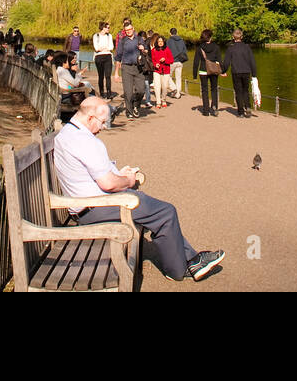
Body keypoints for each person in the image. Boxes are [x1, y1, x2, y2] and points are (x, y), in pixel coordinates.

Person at [54, 97, 225, 282]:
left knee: (147, 204)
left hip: (87, 206)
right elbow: (108, 184)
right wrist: (127, 180)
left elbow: (90, 177)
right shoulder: (85, 140)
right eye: (103, 123)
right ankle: (177, 269)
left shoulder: (68, 133)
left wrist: (119, 174)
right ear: (90, 118)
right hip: (95, 209)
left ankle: (191, 260)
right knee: (165, 212)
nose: (103, 128)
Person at [224, 28, 257, 118]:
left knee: (238, 91)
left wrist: (223, 71)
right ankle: (248, 106)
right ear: (241, 37)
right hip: (246, 71)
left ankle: (241, 112)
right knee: (245, 90)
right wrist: (254, 74)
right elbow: (252, 61)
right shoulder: (247, 47)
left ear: (233, 37)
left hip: (236, 71)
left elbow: (226, 62)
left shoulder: (231, 48)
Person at [115, 21, 145, 119]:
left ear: (133, 29)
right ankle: (129, 111)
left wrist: (143, 49)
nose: (128, 31)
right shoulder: (122, 41)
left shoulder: (140, 39)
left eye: (130, 29)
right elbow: (118, 57)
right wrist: (116, 73)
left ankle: (136, 105)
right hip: (126, 67)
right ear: (124, 31)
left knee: (141, 90)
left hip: (138, 68)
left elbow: (147, 51)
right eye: (126, 30)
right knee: (128, 92)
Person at [193, 29, 222, 116]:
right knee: (214, 89)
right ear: (210, 37)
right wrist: (222, 71)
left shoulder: (200, 48)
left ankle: (205, 110)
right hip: (213, 70)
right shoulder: (216, 47)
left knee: (204, 90)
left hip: (203, 71)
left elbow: (196, 62)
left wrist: (194, 75)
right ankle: (214, 106)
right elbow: (219, 60)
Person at [149, 35, 174, 108]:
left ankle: (164, 99)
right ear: (157, 42)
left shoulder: (167, 50)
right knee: (157, 86)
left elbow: (171, 60)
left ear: (164, 42)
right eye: (159, 41)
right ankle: (158, 101)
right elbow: (151, 60)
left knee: (165, 86)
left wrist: (165, 59)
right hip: (157, 71)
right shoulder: (153, 50)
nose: (160, 43)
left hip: (165, 71)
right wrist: (155, 64)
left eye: (161, 41)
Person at [92, 22, 114, 98]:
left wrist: (104, 48)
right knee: (100, 75)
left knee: (108, 75)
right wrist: (103, 48)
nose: (108, 29)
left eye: (109, 28)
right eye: (107, 27)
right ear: (103, 28)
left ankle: (109, 92)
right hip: (99, 57)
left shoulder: (109, 36)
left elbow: (111, 47)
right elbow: (96, 48)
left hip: (108, 56)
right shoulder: (96, 36)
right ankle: (101, 92)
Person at [167, 28, 188, 99]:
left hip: (172, 61)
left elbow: (166, 51)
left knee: (167, 76)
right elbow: (184, 50)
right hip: (180, 61)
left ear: (170, 33)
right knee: (178, 78)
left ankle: (174, 88)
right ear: (176, 32)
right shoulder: (181, 40)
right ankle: (178, 94)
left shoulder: (169, 41)